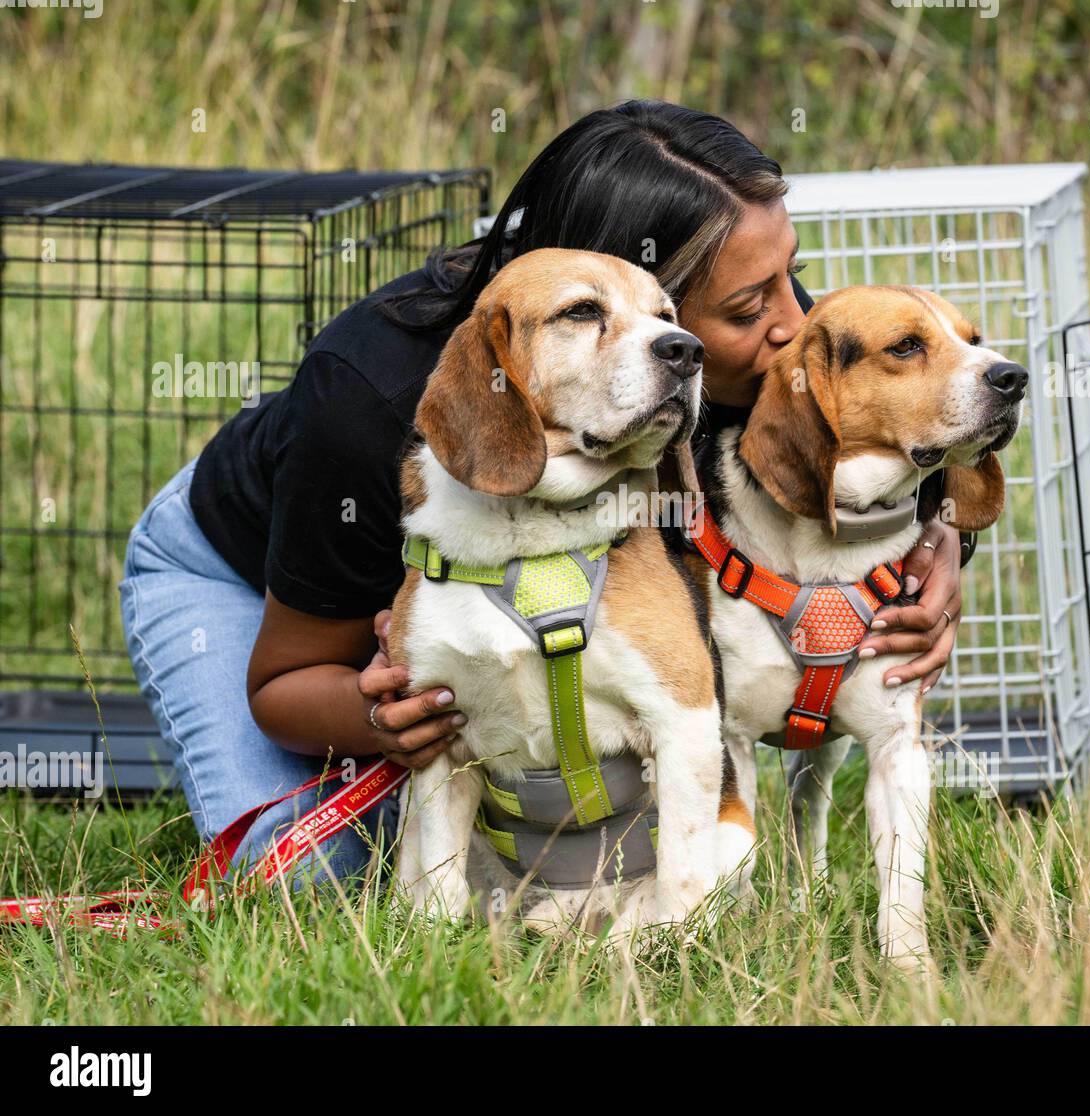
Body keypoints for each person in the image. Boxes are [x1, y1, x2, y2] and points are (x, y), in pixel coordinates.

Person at [118, 100, 967, 884]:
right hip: (267, 588)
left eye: (792, 277)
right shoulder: (368, 396)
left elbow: (906, 433)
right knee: (324, 875)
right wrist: (379, 716)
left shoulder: (747, 347)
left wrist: (945, 544)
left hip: (541, 568)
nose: (793, 325)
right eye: (748, 306)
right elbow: (285, 683)